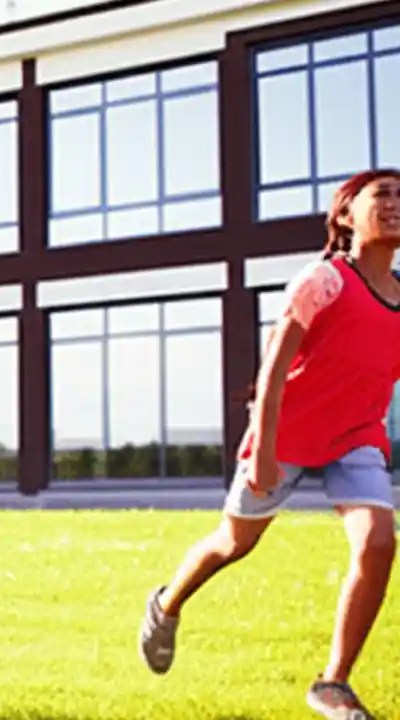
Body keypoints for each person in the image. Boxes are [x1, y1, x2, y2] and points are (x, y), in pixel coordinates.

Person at [139, 169, 400, 720]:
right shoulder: (324, 280)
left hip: (356, 438)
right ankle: (166, 604)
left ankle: (333, 684)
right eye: (384, 195)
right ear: (346, 215)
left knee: (378, 540)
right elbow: (275, 366)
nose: (396, 204)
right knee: (234, 543)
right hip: (288, 434)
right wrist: (261, 443)